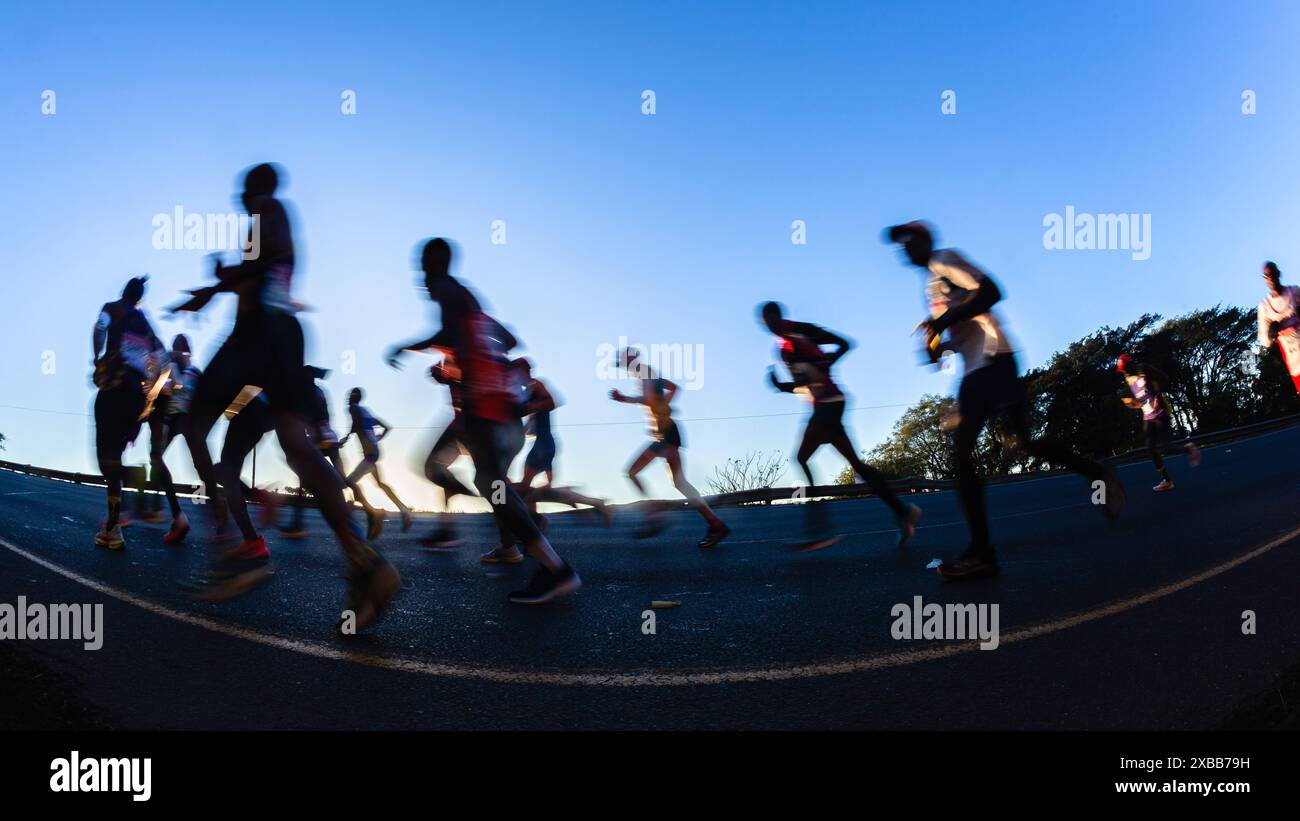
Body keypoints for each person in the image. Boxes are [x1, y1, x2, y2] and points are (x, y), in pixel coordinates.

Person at [168, 163, 398, 630]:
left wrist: (217, 284)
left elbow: (266, 259)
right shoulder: (271, 217)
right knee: (298, 447)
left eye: (245, 189)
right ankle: (367, 563)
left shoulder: (266, 211)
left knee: (193, 426)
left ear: (256, 189)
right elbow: (268, 267)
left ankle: (238, 548)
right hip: (284, 337)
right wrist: (220, 285)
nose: (239, 196)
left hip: (258, 336)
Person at [884, 221, 1125, 580]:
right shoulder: (930, 285)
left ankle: (1096, 473)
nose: (903, 248)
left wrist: (945, 319)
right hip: (972, 372)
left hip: (996, 359)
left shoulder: (944, 260)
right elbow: (961, 329)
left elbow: (992, 292)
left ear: (924, 240)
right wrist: (938, 345)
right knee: (962, 457)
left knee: (1024, 441)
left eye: (908, 240)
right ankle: (981, 553)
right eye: (900, 244)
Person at [387, 238, 579, 604]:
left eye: (422, 272)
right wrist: (457, 369)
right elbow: (507, 338)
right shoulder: (471, 302)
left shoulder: (445, 288)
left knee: (475, 479)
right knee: (492, 483)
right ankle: (521, 544)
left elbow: (453, 335)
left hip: (485, 407)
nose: (423, 283)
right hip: (500, 409)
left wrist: (406, 348)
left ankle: (554, 566)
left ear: (431, 267)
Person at [760, 302, 921, 550]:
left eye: (771, 320)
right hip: (827, 405)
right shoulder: (784, 351)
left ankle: (819, 529)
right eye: (766, 323)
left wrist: (829, 360)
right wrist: (782, 386)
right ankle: (903, 512)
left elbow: (845, 344)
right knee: (855, 465)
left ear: (778, 317)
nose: (770, 326)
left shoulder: (803, 331)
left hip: (830, 404)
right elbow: (804, 384)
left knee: (802, 457)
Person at [610, 348, 730, 548]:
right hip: (667, 432)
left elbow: (650, 399)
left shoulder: (645, 373)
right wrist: (664, 404)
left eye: (624, 362)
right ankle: (716, 524)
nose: (624, 366)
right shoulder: (648, 374)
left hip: (665, 434)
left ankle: (656, 514)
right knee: (680, 482)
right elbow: (674, 388)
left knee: (632, 472)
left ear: (631, 360)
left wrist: (626, 399)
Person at [91, 276, 167, 549]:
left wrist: (97, 356)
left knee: (105, 461)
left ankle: (135, 477)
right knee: (114, 458)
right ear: (140, 298)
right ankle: (113, 529)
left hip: (114, 388)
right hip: (136, 397)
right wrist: (149, 390)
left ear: (124, 292)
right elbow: (163, 358)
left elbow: (99, 329)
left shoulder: (112, 308)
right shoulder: (146, 326)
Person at [144, 334, 202, 543]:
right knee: (201, 467)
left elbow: (164, 387)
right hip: (190, 420)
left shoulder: (174, 363)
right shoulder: (194, 371)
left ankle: (170, 512)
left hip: (174, 416)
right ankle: (160, 508)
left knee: (156, 457)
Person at [417, 350, 477, 549]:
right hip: (461, 424)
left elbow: (461, 378)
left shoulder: (464, 347)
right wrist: (440, 374)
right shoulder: (452, 350)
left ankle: (523, 523)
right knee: (437, 469)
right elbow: (444, 376)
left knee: (495, 482)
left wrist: (401, 349)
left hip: (473, 424)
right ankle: (447, 529)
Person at [1115, 354, 1201, 492]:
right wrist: (1133, 403)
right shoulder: (1128, 379)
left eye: (1125, 369)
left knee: (1165, 448)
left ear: (1131, 365)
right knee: (1150, 448)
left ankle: (1188, 449)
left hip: (1161, 413)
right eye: (1122, 370)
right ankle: (1167, 481)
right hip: (1147, 416)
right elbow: (1141, 396)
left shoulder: (1143, 368)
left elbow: (1164, 378)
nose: (1124, 372)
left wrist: (1156, 396)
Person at [340, 387, 413, 535]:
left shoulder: (353, 409)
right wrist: (376, 438)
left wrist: (347, 436)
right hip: (375, 451)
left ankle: (370, 513)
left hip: (370, 455)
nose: (347, 398)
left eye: (350, 396)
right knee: (380, 484)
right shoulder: (366, 412)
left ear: (355, 398)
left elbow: (357, 423)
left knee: (350, 481)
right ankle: (404, 510)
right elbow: (387, 427)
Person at [1257, 261, 1300, 396]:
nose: (1270, 278)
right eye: (1267, 276)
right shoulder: (1265, 307)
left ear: (1279, 274)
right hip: (1292, 354)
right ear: (1264, 279)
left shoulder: (1294, 292)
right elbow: (1265, 341)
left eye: (1272, 274)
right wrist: (1271, 331)